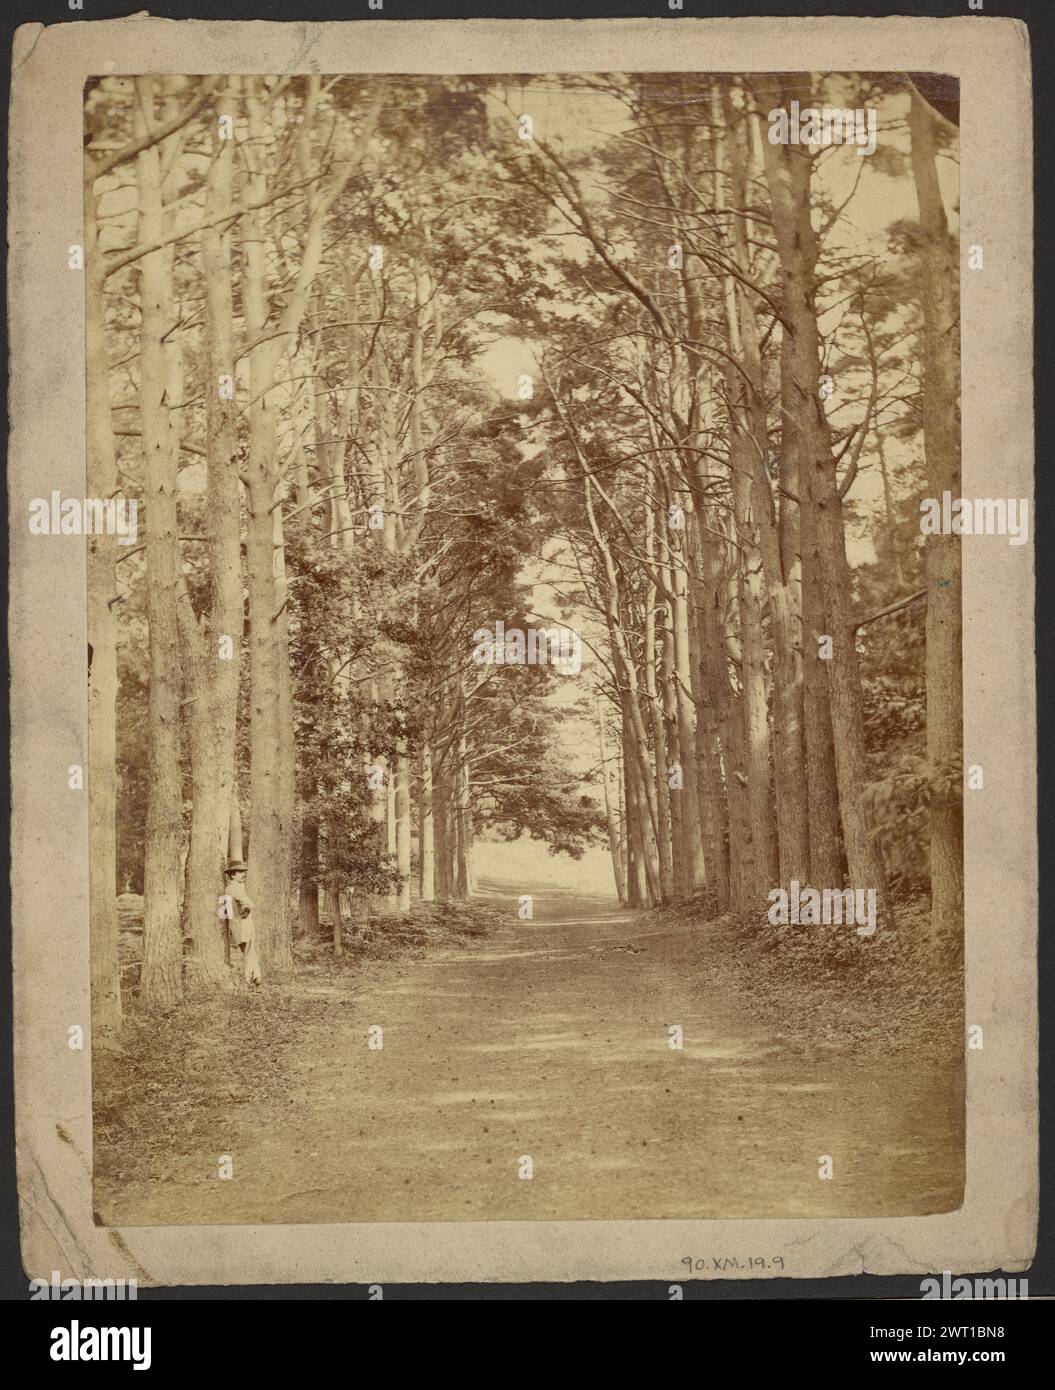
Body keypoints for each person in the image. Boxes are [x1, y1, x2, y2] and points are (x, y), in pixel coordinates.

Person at [223, 861, 261, 987]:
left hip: (237, 925)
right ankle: (250, 979)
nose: (242, 875)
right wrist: (246, 910)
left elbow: (228, 911)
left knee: (250, 952)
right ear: (232, 875)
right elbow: (249, 904)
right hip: (243, 924)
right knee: (249, 952)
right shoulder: (234, 889)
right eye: (239, 873)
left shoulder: (230, 889)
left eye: (243, 872)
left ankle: (256, 977)